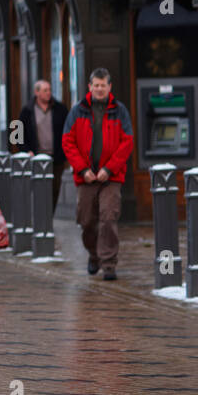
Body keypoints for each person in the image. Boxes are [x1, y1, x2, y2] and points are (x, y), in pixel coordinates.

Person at [62, 68, 134, 281]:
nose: (100, 89)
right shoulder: (78, 110)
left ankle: (109, 263)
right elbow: (68, 142)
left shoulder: (120, 111)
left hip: (111, 177)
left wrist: (109, 169)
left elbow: (127, 142)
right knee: (86, 221)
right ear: (90, 87)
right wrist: (83, 169)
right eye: (96, 85)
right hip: (85, 177)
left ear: (109, 87)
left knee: (108, 218)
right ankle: (94, 255)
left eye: (103, 85)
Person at [19, 79, 70, 206]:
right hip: (36, 158)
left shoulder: (60, 109)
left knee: (55, 189)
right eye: (45, 90)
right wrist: (25, 150)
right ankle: (39, 220)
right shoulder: (26, 111)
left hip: (56, 158)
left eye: (50, 90)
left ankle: (48, 219)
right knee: (38, 190)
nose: (48, 93)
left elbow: (69, 130)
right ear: (37, 92)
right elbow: (16, 134)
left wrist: (65, 151)